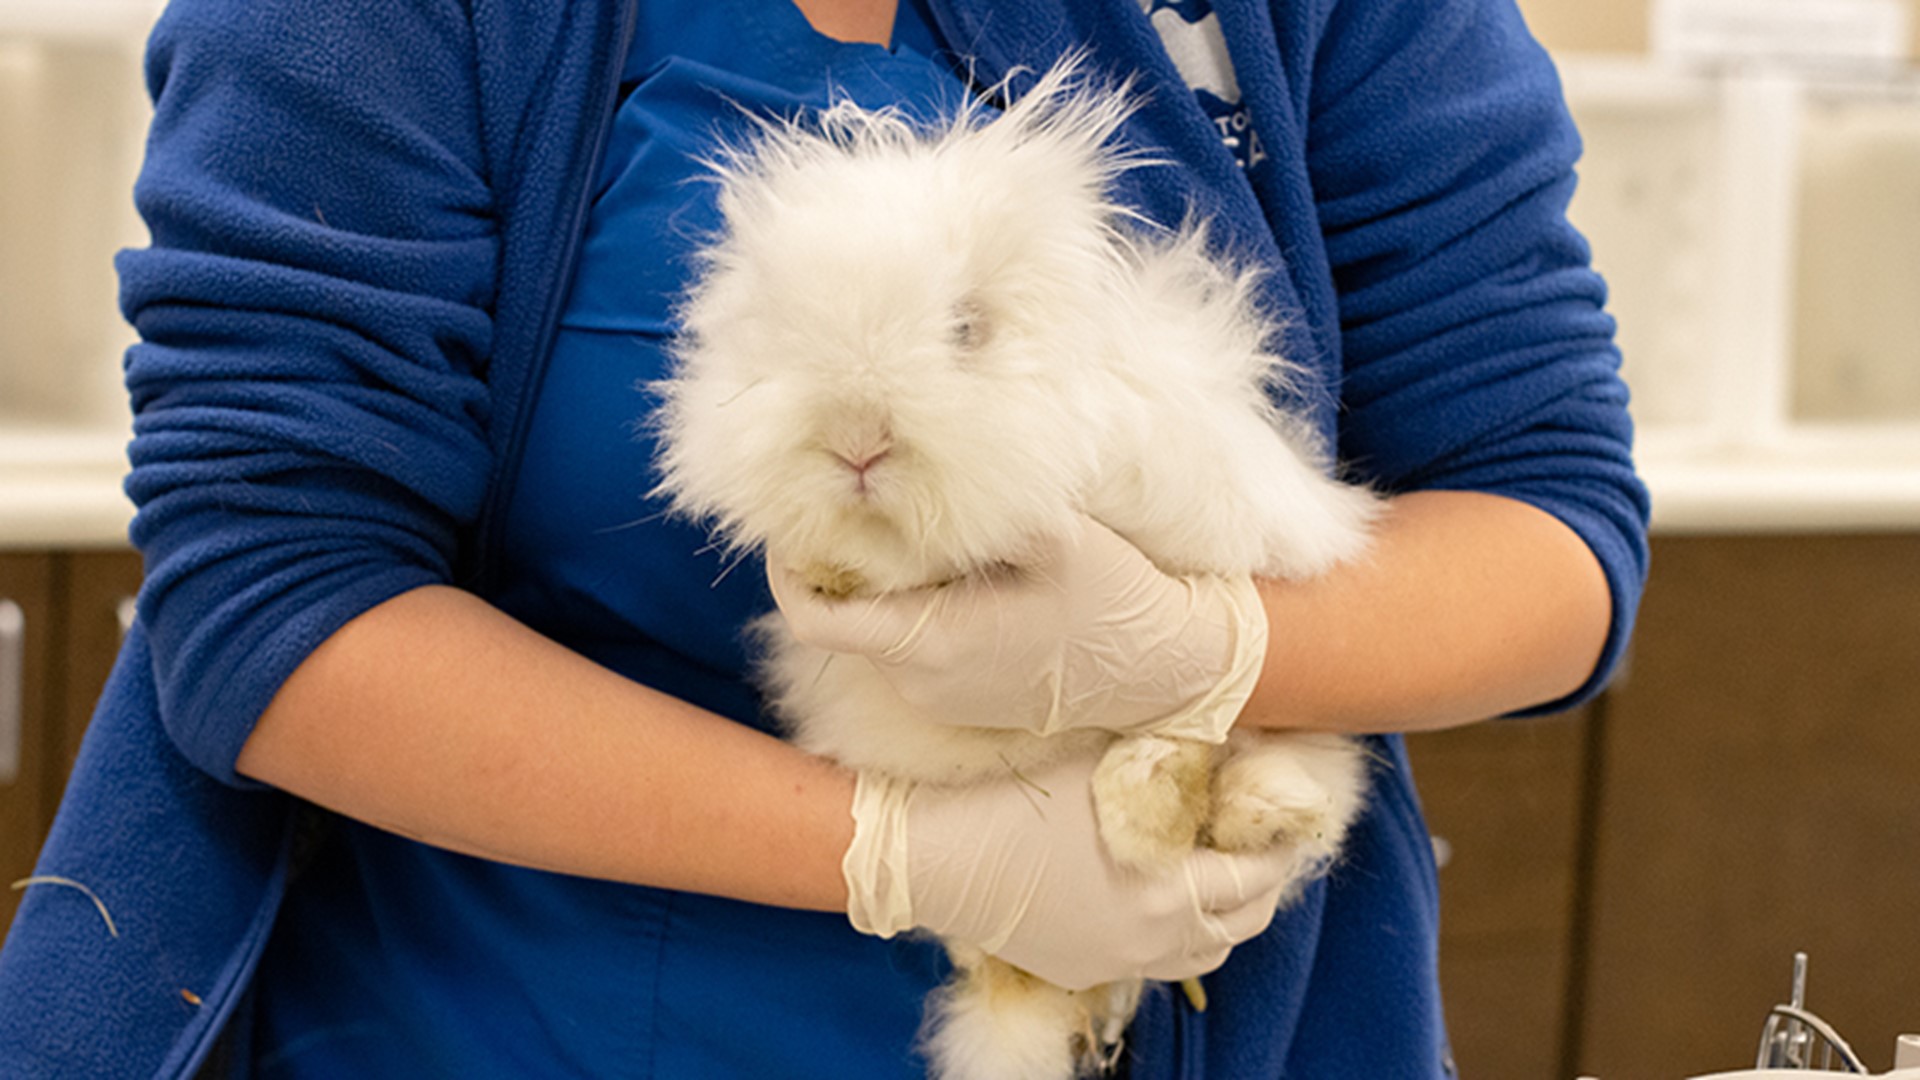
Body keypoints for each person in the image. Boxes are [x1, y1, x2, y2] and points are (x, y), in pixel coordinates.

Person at [0, 0, 1648, 1075]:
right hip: (508, 1022)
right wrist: (907, 853)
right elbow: (273, 600)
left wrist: (1214, 651)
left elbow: (1553, 530)